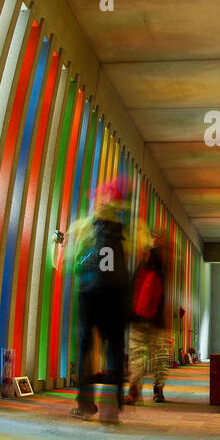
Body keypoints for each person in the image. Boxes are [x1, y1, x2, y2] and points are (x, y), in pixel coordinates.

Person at [68, 178, 139, 424]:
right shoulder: (128, 230)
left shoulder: (82, 227)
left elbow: (75, 263)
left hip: (90, 294)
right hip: (117, 296)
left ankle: (85, 404)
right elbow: (135, 252)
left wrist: (86, 268)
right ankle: (111, 406)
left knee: (86, 344)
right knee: (115, 348)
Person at [126, 231, 169, 404]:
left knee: (140, 355)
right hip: (154, 320)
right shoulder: (160, 264)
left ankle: (137, 390)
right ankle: (156, 390)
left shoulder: (149, 263)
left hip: (143, 318)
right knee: (157, 357)